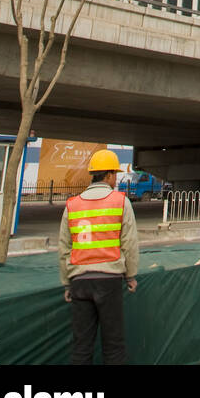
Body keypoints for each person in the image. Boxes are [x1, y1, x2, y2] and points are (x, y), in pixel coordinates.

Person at [58, 148, 139, 365]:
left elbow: (64, 247)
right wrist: (130, 276)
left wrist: (67, 283)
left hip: (79, 281)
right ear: (110, 175)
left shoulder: (72, 205)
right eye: (116, 174)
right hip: (109, 280)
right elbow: (129, 244)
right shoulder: (121, 202)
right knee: (113, 346)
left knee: (82, 347)